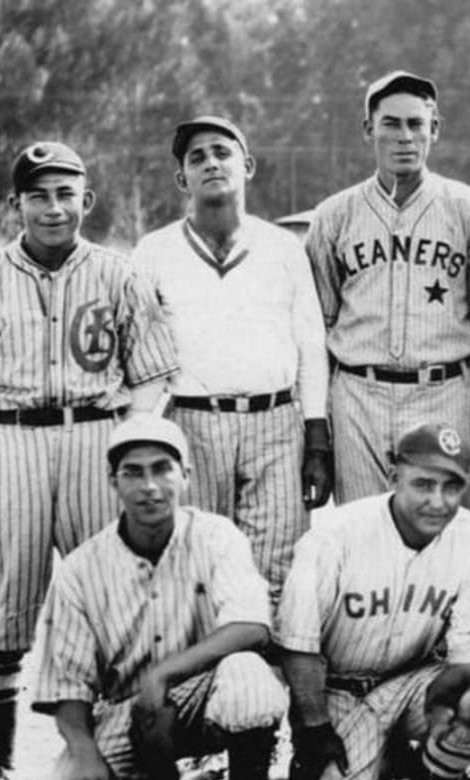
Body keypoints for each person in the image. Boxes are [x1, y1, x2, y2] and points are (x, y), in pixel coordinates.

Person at [0, 141, 179, 780]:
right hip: (11, 442)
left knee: (116, 606)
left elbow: (152, 374)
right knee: (5, 609)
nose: (54, 208)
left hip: (98, 436)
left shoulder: (118, 276)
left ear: (87, 201)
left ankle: (133, 762)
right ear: (16, 205)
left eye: (67, 194)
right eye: (39, 195)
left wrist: (131, 441)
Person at [30, 415, 288, 780]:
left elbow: (253, 625)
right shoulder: (79, 568)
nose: (149, 485)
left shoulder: (215, 535)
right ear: (113, 482)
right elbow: (66, 684)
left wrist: (164, 675)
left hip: (207, 696)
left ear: (185, 476)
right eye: (133, 472)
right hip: (129, 710)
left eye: (162, 468)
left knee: (250, 679)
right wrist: (83, 750)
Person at [274, 421, 470, 780]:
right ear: (393, 476)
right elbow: (297, 642)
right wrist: (313, 725)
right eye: (423, 483)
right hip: (338, 693)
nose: (437, 501)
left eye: (451, 486)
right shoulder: (336, 535)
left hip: (414, 680)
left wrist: (462, 705)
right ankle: (347, 769)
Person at [131, 115, 332, 609]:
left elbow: (310, 345)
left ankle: (267, 684)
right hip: (194, 421)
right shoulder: (153, 251)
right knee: (196, 568)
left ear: (248, 165)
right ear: (182, 179)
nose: (211, 163)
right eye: (196, 158)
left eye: (222, 152)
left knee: (277, 571)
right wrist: (137, 432)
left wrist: (317, 435)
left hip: (275, 424)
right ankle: (208, 684)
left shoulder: (284, 247)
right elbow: (143, 356)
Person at [306, 70, 470, 507]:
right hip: (359, 394)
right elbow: (317, 327)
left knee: (444, 534)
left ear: (434, 129)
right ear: (368, 129)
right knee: (362, 534)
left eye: (416, 124)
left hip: (443, 389)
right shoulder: (334, 215)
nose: (404, 137)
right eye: (391, 124)